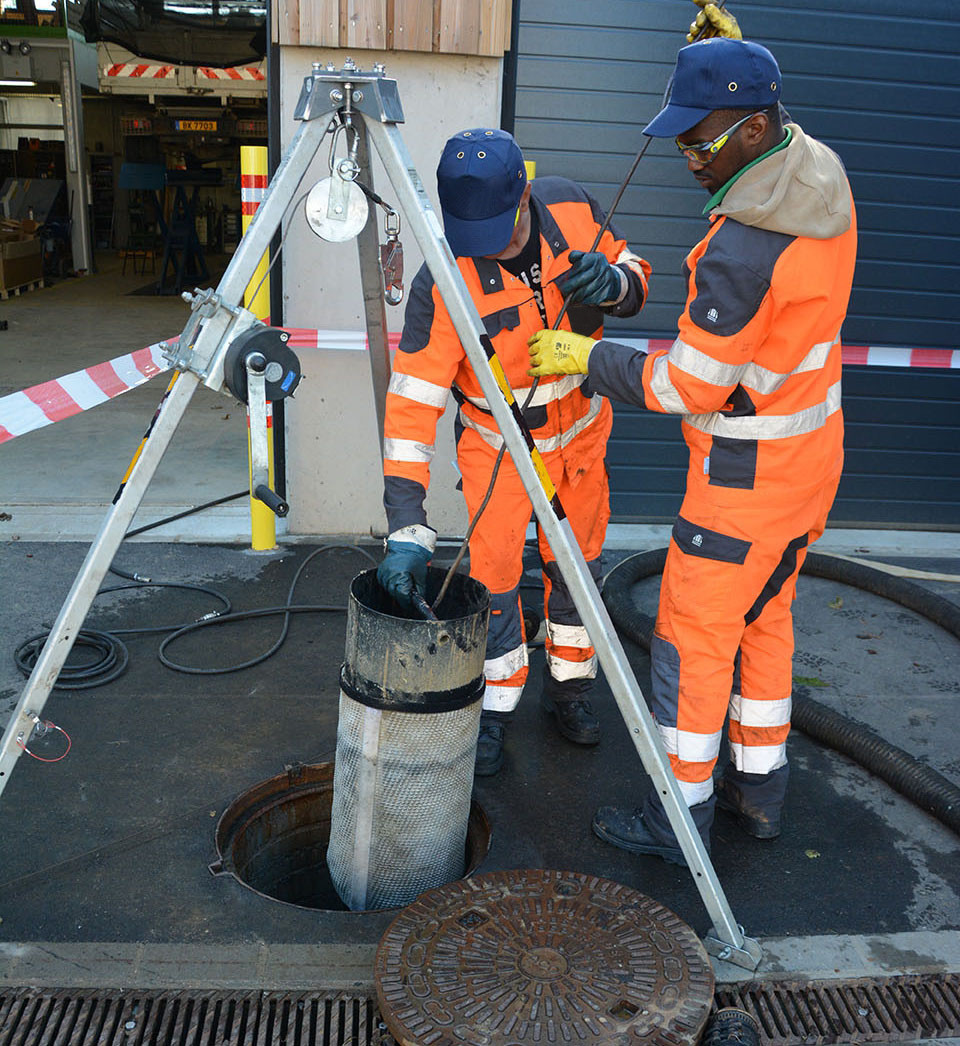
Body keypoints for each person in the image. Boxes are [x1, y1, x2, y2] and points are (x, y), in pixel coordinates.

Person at [528, 38, 857, 861]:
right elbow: (784, 130)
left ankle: (676, 820)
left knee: (690, 643)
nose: (684, 156)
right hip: (810, 467)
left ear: (753, 129)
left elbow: (690, 386)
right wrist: (733, 50)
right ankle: (761, 795)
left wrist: (587, 359)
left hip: (742, 485)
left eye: (697, 138)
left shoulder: (746, 249)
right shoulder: (817, 176)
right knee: (765, 622)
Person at [377, 127, 651, 776]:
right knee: (495, 582)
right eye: (472, 237)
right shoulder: (444, 278)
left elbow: (638, 280)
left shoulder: (576, 209)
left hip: (579, 442)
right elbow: (412, 407)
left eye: (497, 232)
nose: (485, 251)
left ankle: (570, 693)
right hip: (496, 452)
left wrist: (611, 284)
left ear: (525, 196)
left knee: (576, 578)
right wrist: (405, 525)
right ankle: (494, 712)